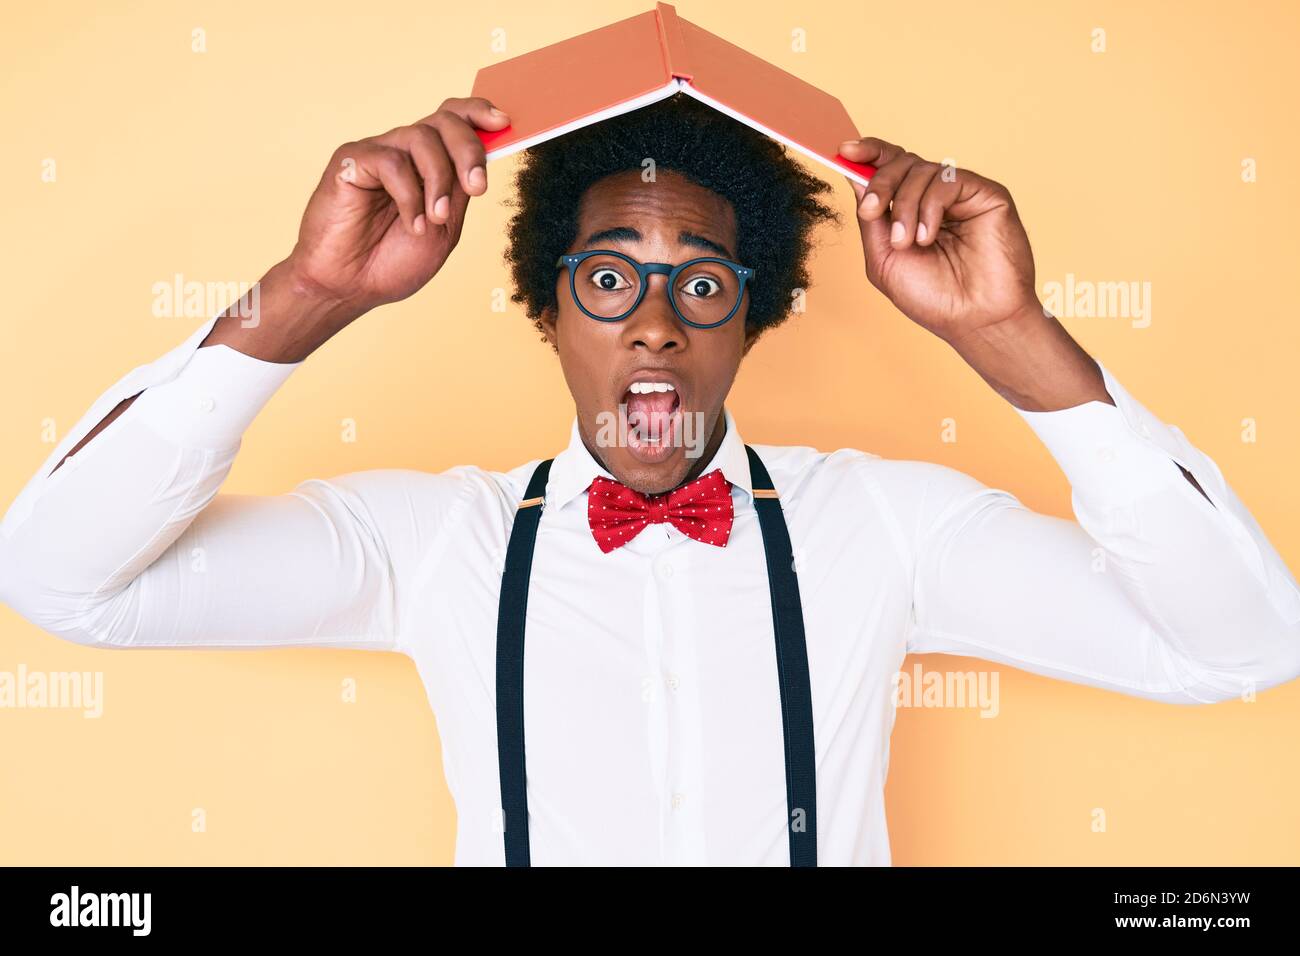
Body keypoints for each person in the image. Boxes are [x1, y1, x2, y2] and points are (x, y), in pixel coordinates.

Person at [2, 93, 1297, 866]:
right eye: (610, 277)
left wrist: (1005, 334)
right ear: (549, 309)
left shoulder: (887, 525)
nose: (655, 325)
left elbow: (1239, 649)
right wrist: (308, 296)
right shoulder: (434, 543)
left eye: (704, 285)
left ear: (754, 315)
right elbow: (63, 582)